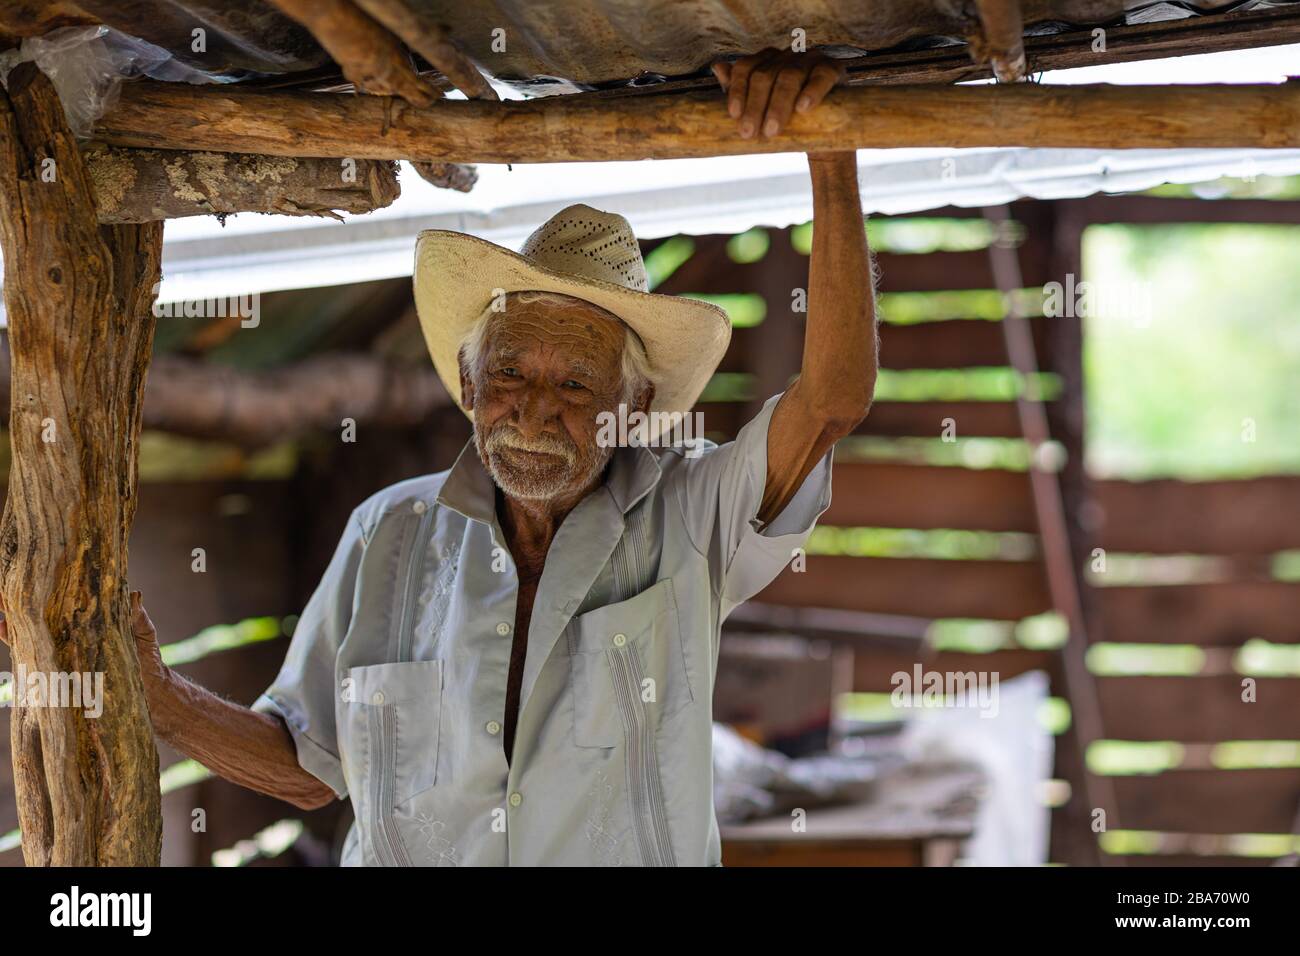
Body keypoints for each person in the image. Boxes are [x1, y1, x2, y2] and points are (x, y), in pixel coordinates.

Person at [3, 48, 878, 866]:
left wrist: (829, 154)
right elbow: (310, 763)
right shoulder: (388, 535)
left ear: (635, 407)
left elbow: (831, 400)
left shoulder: (690, 518)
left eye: (576, 385)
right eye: (508, 373)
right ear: (466, 388)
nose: (533, 409)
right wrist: (160, 697)